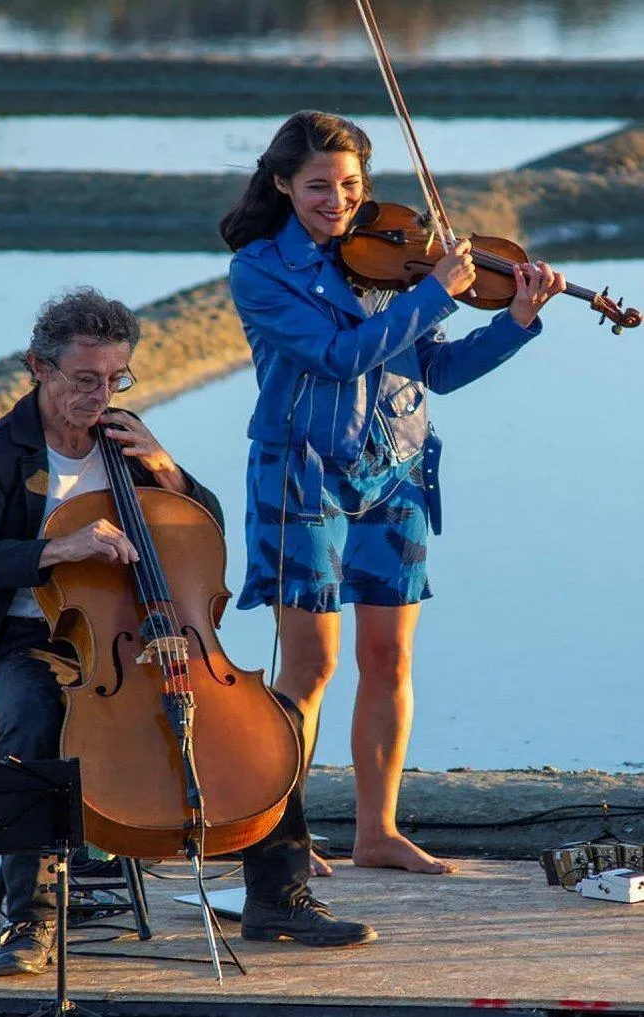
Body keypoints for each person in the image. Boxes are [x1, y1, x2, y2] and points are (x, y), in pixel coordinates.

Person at [0, 288, 377, 977]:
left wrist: (169, 470)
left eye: (114, 379)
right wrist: (55, 550)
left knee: (270, 715)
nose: (101, 396)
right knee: (34, 723)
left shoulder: (126, 437)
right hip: (31, 639)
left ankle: (278, 896)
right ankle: (32, 919)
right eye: (84, 379)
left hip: (147, 633)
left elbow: (199, 527)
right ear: (38, 366)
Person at [219, 111, 565, 878]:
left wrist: (514, 319)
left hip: (397, 470)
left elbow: (432, 370)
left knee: (390, 658)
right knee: (309, 666)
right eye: (317, 186)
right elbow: (336, 357)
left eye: (348, 185)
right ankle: (281, 837)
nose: (336, 200)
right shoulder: (259, 270)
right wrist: (436, 293)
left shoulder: (388, 262)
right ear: (282, 185)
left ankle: (376, 831)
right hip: (301, 476)